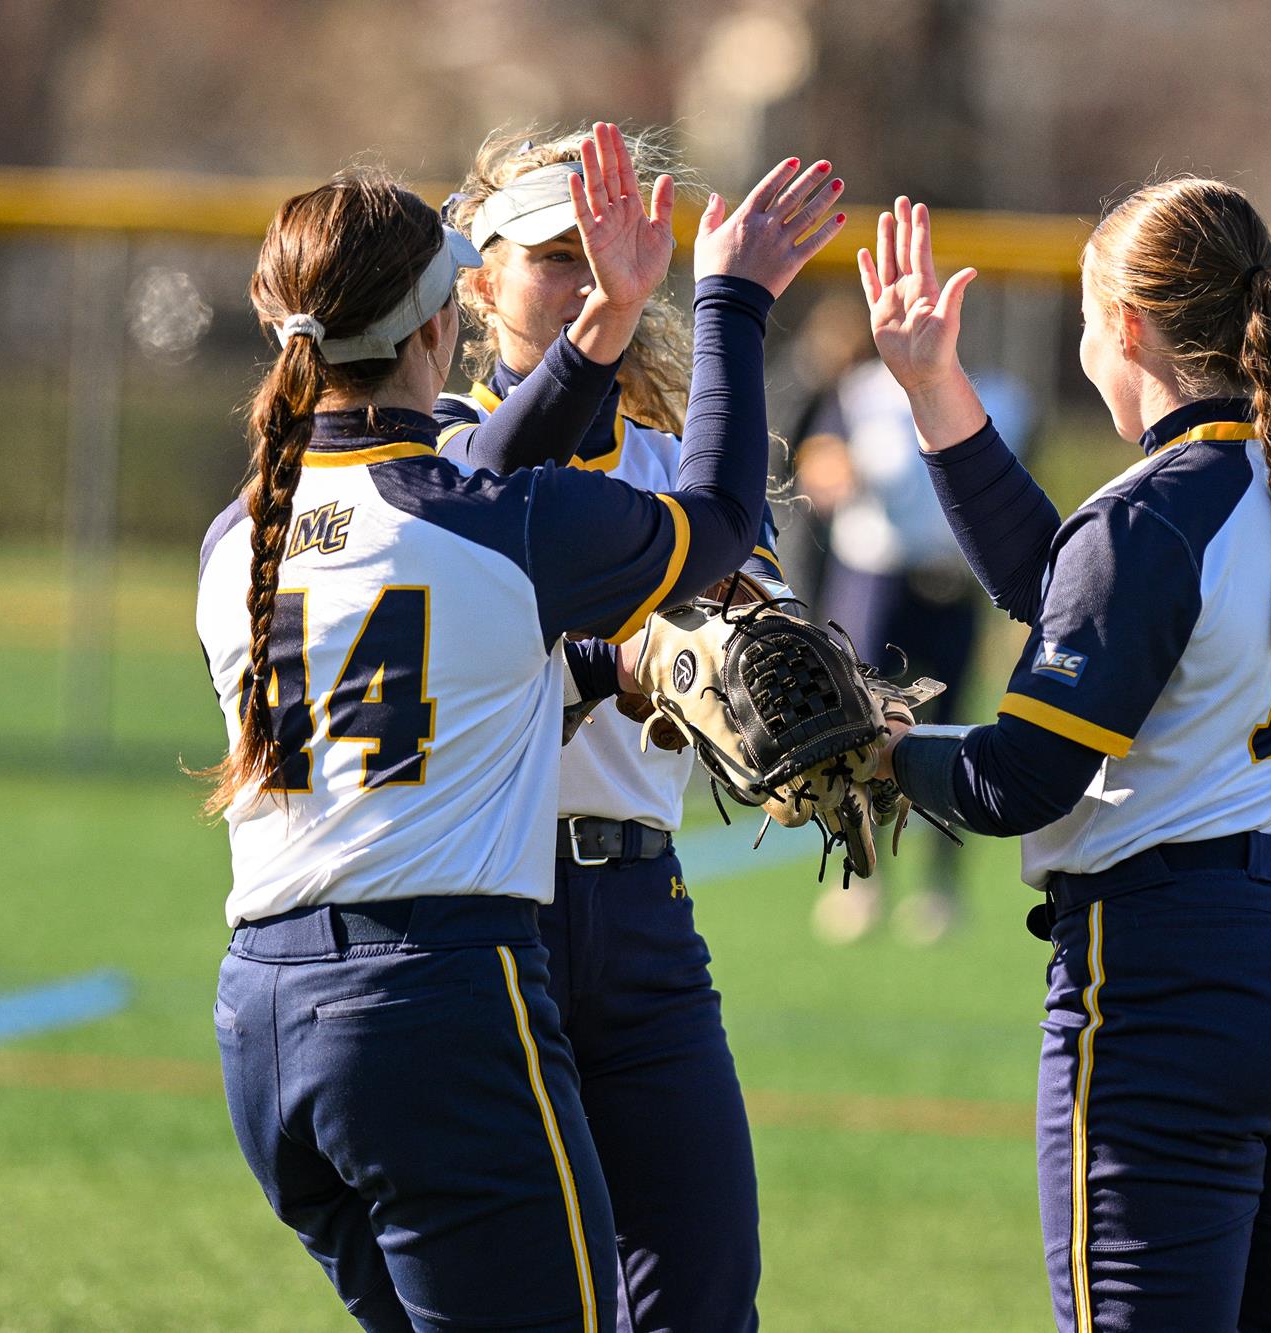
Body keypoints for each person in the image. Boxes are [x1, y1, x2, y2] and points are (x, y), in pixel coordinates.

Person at [198, 153, 841, 1332]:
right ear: (457, 310)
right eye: (550, 256)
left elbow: (467, 581)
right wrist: (729, 304)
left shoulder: (240, 527)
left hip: (272, 1002)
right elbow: (706, 525)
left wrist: (602, 334)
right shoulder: (496, 512)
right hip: (441, 976)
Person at [860, 186, 1271, 1331]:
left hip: (1180, 980)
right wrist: (933, 391)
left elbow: (1019, 778)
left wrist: (884, 752)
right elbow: (1083, 601)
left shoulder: (1152, 513)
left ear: (1130, 327)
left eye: (1085, 314)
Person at [430, 126, 842, 1331]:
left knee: (704, 1290)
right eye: (549, 255)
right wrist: (636, 654)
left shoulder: (672, 457)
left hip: (645, 914)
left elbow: (765, 645)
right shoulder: (445, 452)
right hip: (496, 912)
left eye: (595, 253)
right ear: (478, 281)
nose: (575, 277)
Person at [800, 353, 1039, 946]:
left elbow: (1021, 492)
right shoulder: (860, 391)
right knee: (859, 736)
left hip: (953, 584)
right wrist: (840, 472)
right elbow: (817, 467)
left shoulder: (1002, 392)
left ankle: (940, 888)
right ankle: (862, 881)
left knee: (955, 732)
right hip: (876, 580)